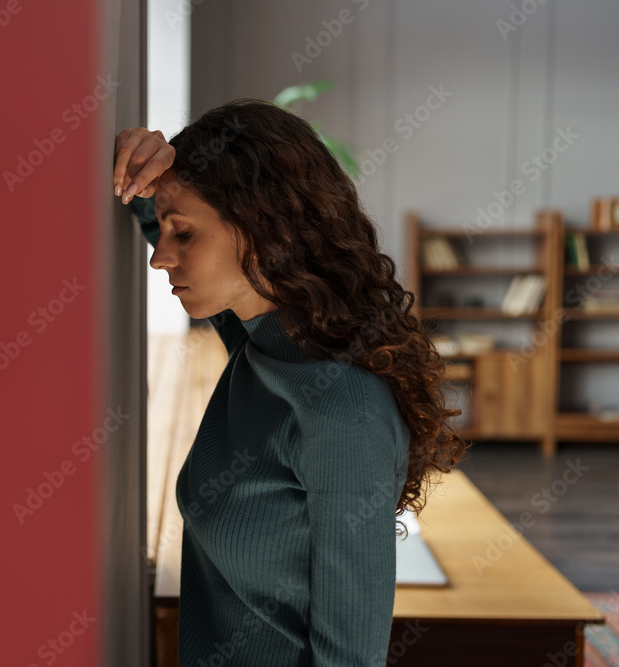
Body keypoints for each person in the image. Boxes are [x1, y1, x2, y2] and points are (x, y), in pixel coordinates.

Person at [113, 99, 467, 666]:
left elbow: (352, 657)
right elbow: (167, 221)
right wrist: (147, 167)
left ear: (262, 230)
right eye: (167, 233)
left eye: (183, 234)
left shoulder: (341, 410)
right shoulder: (266, 343)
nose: (162, 257)